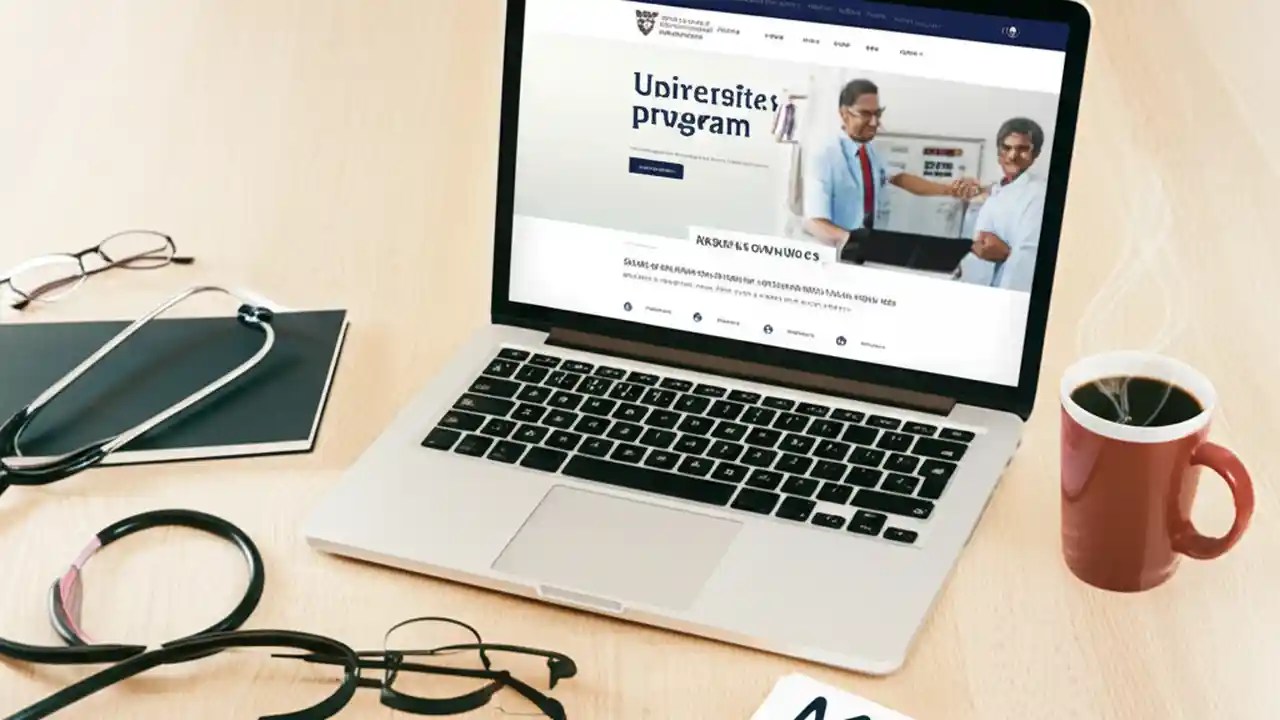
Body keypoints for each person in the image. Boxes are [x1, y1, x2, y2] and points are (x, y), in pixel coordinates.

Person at [802, 78, 980, 247]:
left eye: (877, 114)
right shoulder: (825, 154)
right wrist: (850, 241)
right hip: (836, 252)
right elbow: (814, 221)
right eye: (865, 114)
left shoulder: (870, 151)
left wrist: (951, 189)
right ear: (843, 114)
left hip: (867, 248)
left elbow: (900, 179)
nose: (874, 122)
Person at [961, 117, 1049, 293]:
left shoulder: (1039, 193)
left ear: (1036, 153)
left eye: (1022, 149)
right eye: (1006, 148)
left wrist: (1004, 253)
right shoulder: (997, 189)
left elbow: (1027, 256)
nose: (1012, 155)